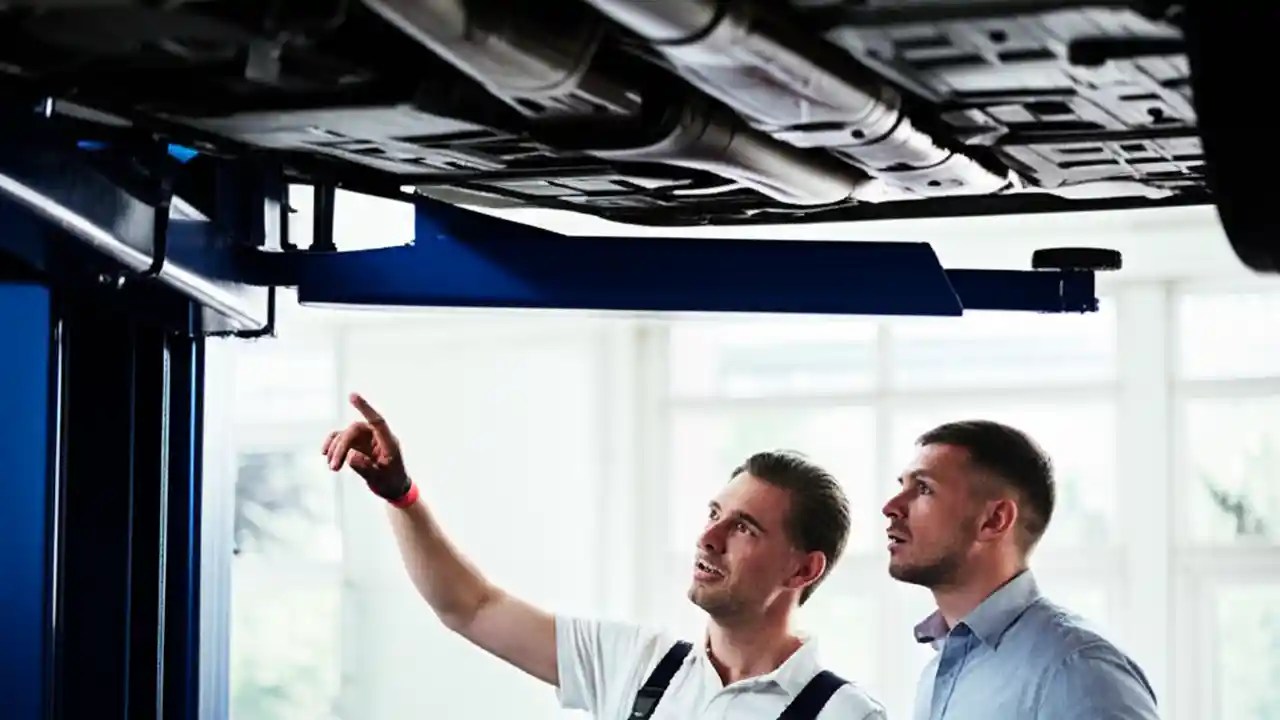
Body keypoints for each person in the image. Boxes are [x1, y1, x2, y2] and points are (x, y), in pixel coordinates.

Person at [323, 392, 885, 720]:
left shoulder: (844, 715)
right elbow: (468, 608)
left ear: (803, 569)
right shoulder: (640, 666)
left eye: (745, 528)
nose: (708, 538)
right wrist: (401, 495)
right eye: (714, 513)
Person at [882, 419, 1159, 720]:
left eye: (923, 488)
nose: (891, 506)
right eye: (902, 486)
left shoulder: (1077, 669)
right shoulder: (937, 674)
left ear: (995, 520)